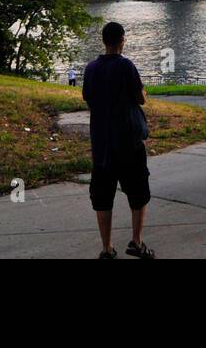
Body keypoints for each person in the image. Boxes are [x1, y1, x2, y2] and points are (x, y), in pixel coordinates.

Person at [82, 22, 155, 259]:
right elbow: (140, 97)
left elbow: (89, 98)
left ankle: (106, 248)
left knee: (102, 196)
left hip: (102, 144)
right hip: (128, 142)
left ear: (104, 41)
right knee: (138, 192)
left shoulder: (91, 68)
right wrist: (142, 94)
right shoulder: (126, 66)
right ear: (122, 40)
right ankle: (136, 241)